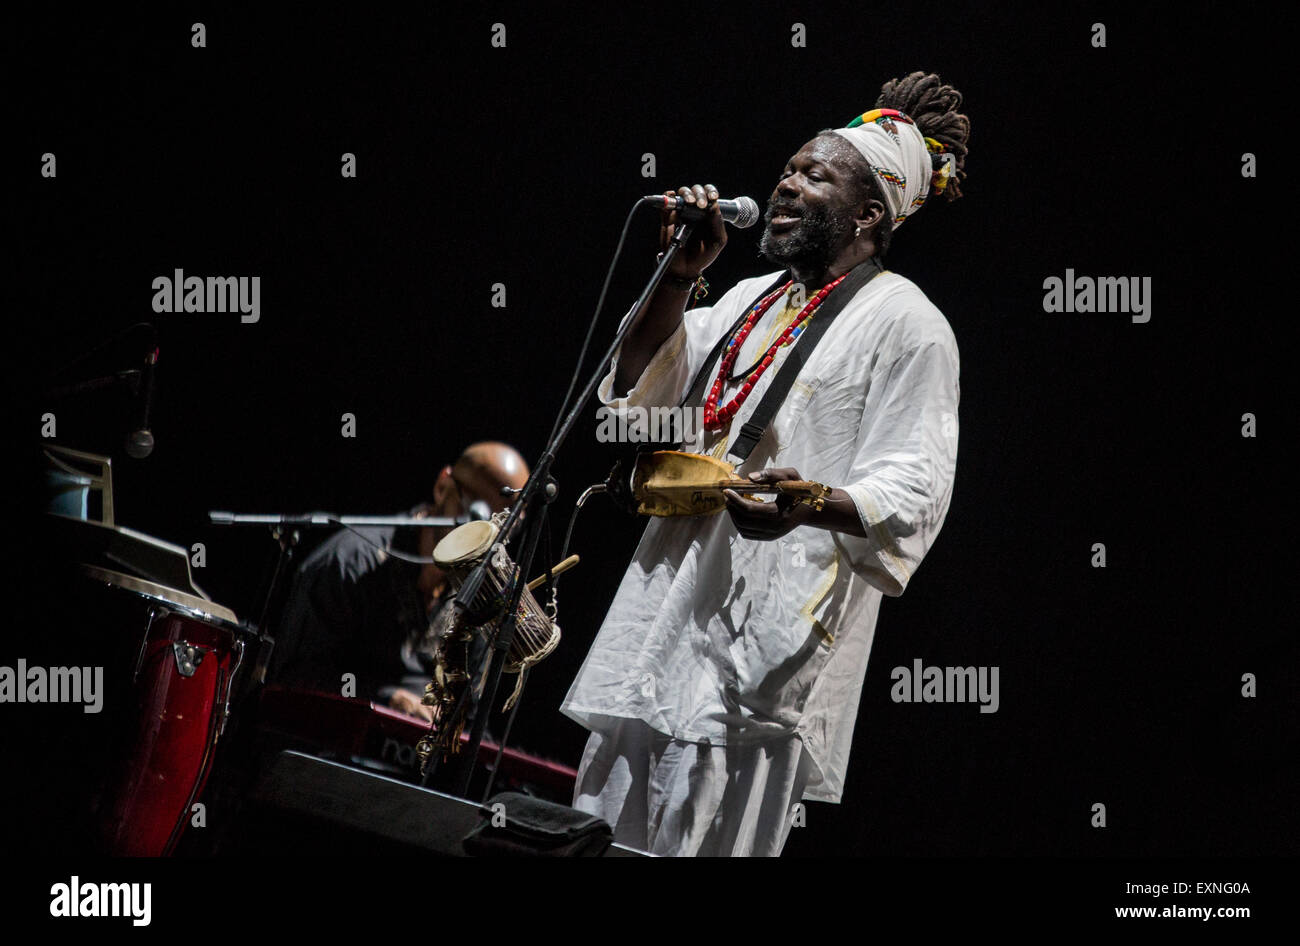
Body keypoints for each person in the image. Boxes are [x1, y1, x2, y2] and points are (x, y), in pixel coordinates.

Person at [561, 72, 970, 855]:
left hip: (761, 656)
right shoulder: (750, 297)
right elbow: (642, 411)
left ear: (869, 214)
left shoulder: (911, 325)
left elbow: (915, 484)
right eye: (788, 167)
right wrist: (678, 278)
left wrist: (808, 503)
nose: (786, 181)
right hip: (658, 620)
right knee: (596, 837)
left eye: (816, 174)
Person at [268, 441, 529, 719]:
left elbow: (469, 714)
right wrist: (386, 702)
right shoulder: (351, 562)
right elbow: (291, 677)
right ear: (443, 487)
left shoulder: (480, 597)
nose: (484, 536)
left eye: (502, 524)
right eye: (476, 514)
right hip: (325, 745)